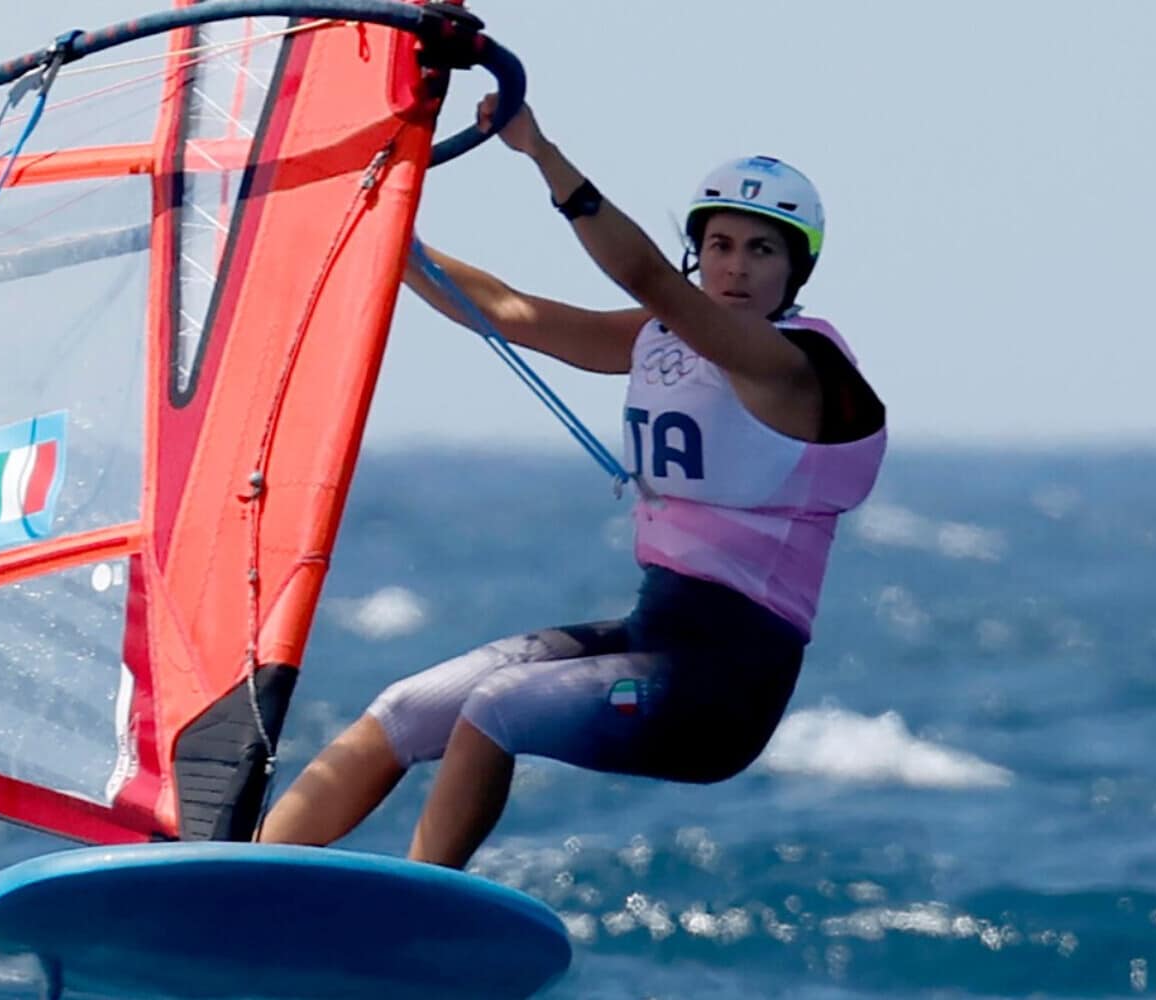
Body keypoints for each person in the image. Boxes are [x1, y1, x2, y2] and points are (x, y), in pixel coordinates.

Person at [255, 96, 888, 869]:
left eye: (762, 251)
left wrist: (540, 152)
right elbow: (504, 309)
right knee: (409, 708)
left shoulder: (794, 368)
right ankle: (237, 880)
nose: (735, 265)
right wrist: (378, 230)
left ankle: (420, 915)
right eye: (720, 244)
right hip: (654, 637)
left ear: (796, 270)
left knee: (498, 707)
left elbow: (649, 275)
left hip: (724, 689)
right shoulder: (658, 338)